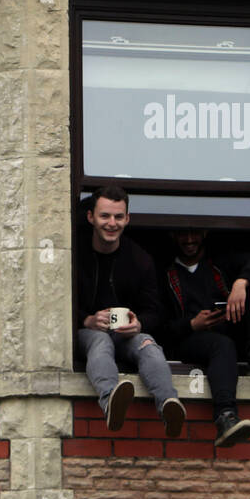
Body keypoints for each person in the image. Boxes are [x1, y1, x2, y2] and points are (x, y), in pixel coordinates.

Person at [74, 186, 186, 436]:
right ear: (91, 217)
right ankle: (109, 400)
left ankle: (169, 404)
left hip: (125, 334)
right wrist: (87, 319)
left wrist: (139, 324)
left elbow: (155, 311)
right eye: (105, 216)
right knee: (100, 341)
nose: (111, 223)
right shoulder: (73, 253)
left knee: (147, 344)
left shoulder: (140, 259)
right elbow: (56, 305)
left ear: (127, 219)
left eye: (118, 217)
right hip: (87, 332)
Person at [160, 228, 250, 447]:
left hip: (232, 331)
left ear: (204, 233)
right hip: (189, 341)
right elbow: (159, 327)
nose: (189, 239)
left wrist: (241, 282)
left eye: (194, 233)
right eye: (182, 234)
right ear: (173, 235)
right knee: (222, 345)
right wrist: (192, 324)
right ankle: (225, 417)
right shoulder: (165, 275)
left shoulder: (221, 263)